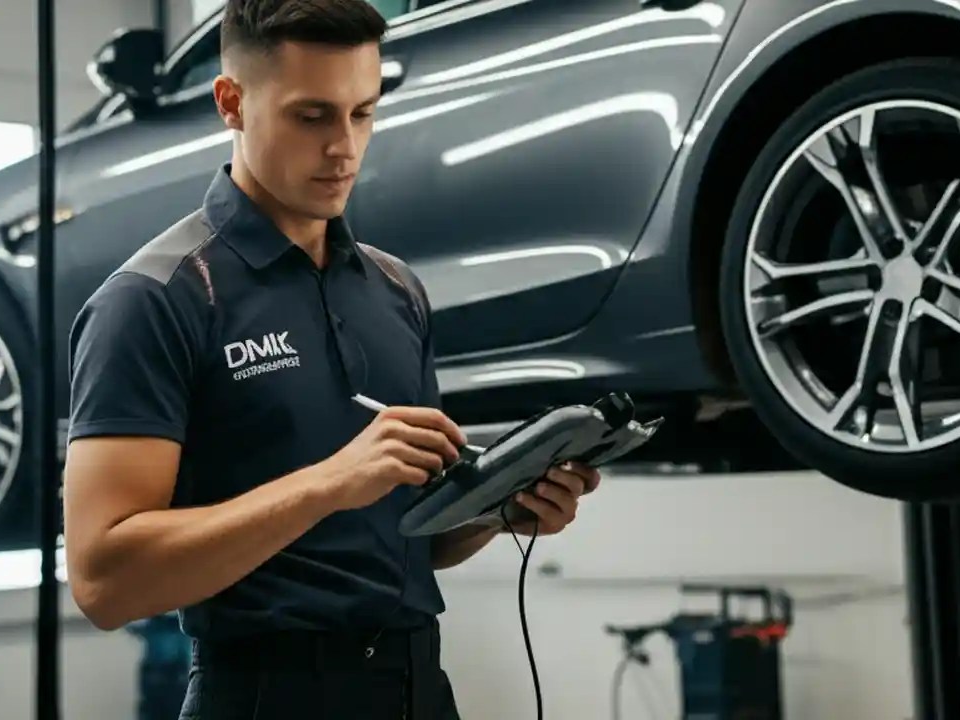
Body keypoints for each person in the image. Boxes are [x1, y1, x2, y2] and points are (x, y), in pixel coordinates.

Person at [60, 1, 602, 717]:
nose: (344, 148)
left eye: (362, 114)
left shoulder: (396, 289)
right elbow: (104, 582)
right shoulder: (154, 299)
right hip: (263, 694)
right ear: (232, 103)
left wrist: (497, 510)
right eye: (312, 117)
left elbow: (407, 539)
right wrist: (330, 483)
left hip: (419, 686)